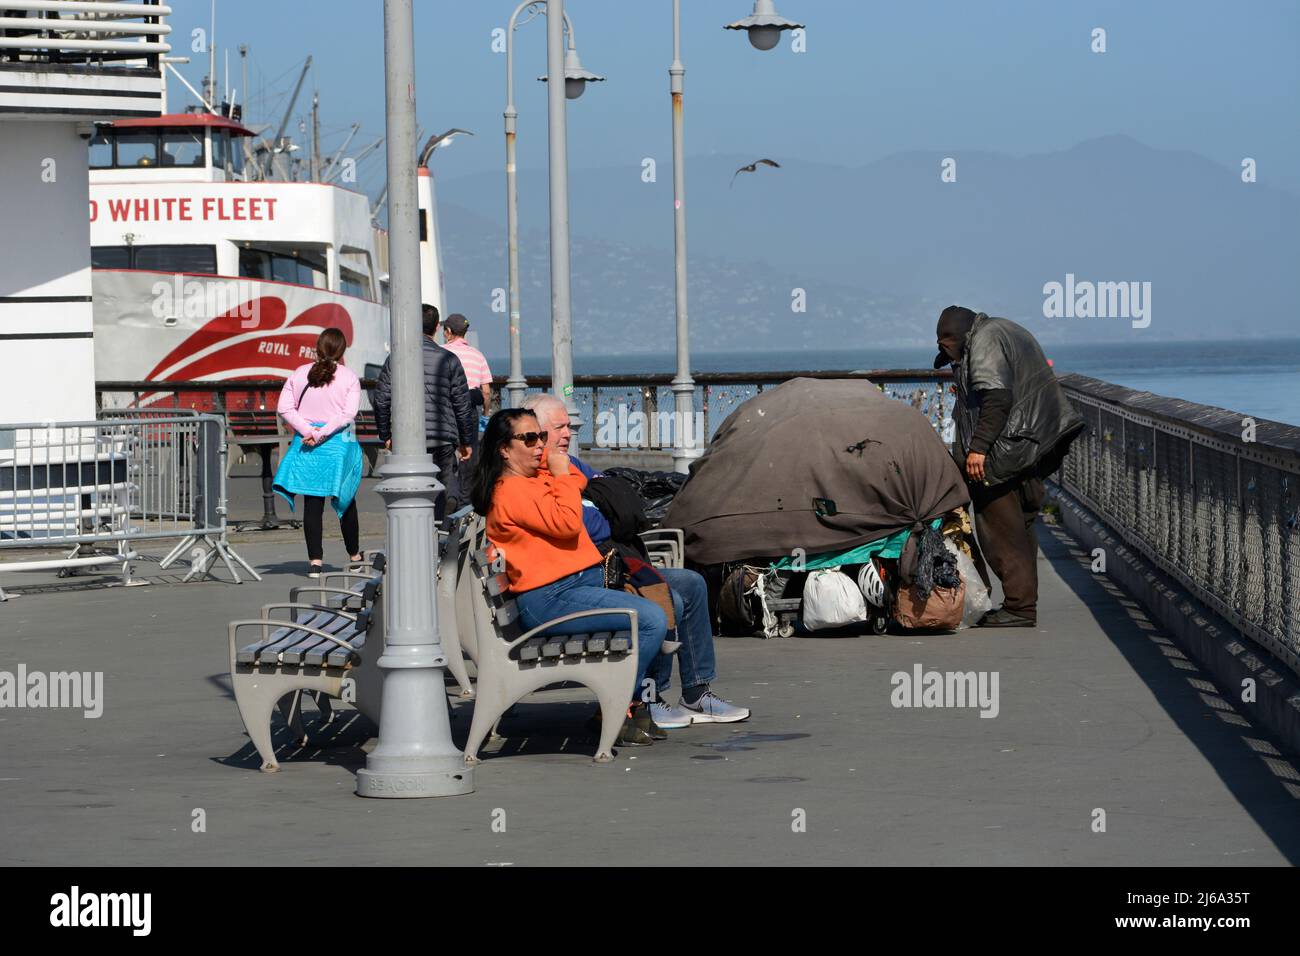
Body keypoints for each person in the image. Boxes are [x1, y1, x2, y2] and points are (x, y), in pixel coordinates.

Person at [522, 393, 750, 728]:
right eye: (560, 427)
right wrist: (599, 507)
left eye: (569, 425)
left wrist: (601, 506)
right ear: (536, 432)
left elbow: (620, 500)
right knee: (663, 596)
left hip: (608, 562)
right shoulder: (538, 477)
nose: (569, 433)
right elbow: (594, 524)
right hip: (584, 575)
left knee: (692, 583)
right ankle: (648, 696)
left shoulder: (570, 465)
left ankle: (696, 693)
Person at [472, 408, 668, 746]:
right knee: (650, 619)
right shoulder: (511, 492)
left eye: (542, 437)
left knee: (667, 599)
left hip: (575, 582)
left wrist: (555, 470)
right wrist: (560, 475)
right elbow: (567, 521)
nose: (540, 446)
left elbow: (580, 482)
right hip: (548, 597)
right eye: (529, 438)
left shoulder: (532, 478)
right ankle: (617, 706)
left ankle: (636, 703)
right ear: (504, 449)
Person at [933, 306, 1085, 627]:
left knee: (999, 529)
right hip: (1029, 445)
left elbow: (998, 397)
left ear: (952, 341)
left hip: (1003, 451)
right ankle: (1023, 602)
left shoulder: (984, 341)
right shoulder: (1004, 328)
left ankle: (1019, 608)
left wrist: (977, 450)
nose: (956, 365)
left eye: (953, 358)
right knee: (1022, 525)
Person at [273, 327, 365, 578]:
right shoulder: (349, 378)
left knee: (312, 504)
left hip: (306, 444)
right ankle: (355, 556)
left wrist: (307, 431)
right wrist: (322, 432)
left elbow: (284, 408)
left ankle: (315, 561)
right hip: (336, 446)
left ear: (317, 347)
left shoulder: (300, 373)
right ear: (342, 350)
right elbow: (348, 415)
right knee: (346, 500)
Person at [372, 304, 475, 520]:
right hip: (442, 437)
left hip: (407, 437)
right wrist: (465, 441)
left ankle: (415, 531)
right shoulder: (449, 359)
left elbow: (381, 399)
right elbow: (462, 404)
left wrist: (386, 435)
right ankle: (439, 529)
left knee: (411, 488)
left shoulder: (396, 359)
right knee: (442, 486)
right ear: (437, 327)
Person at [440, 312, 493, 485]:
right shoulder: (477, 355)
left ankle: (449, 492)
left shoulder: (441, 353)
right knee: (469, 454)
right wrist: (485, 414)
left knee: (446, 453)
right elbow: (486, 391)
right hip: (469, 410)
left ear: (448, 331)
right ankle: (465, 499)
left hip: (445, 410)